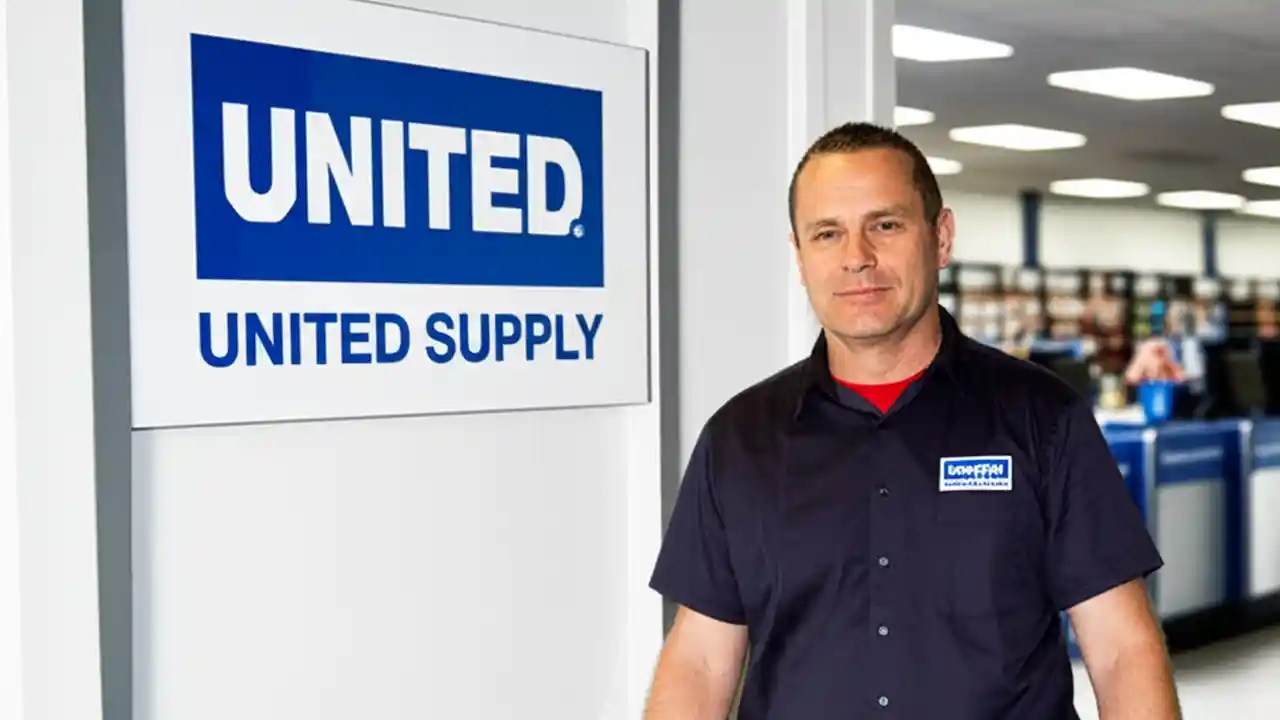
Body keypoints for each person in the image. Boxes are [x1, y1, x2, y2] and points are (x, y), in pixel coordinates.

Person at [644, 122, 1180, 719]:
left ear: (940, 237)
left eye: (886, 225)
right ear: (800, 256)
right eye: (827, 233)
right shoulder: (740, 439)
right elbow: (700, 663)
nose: (857, 258)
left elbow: (1122, 651)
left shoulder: (1043, 419)